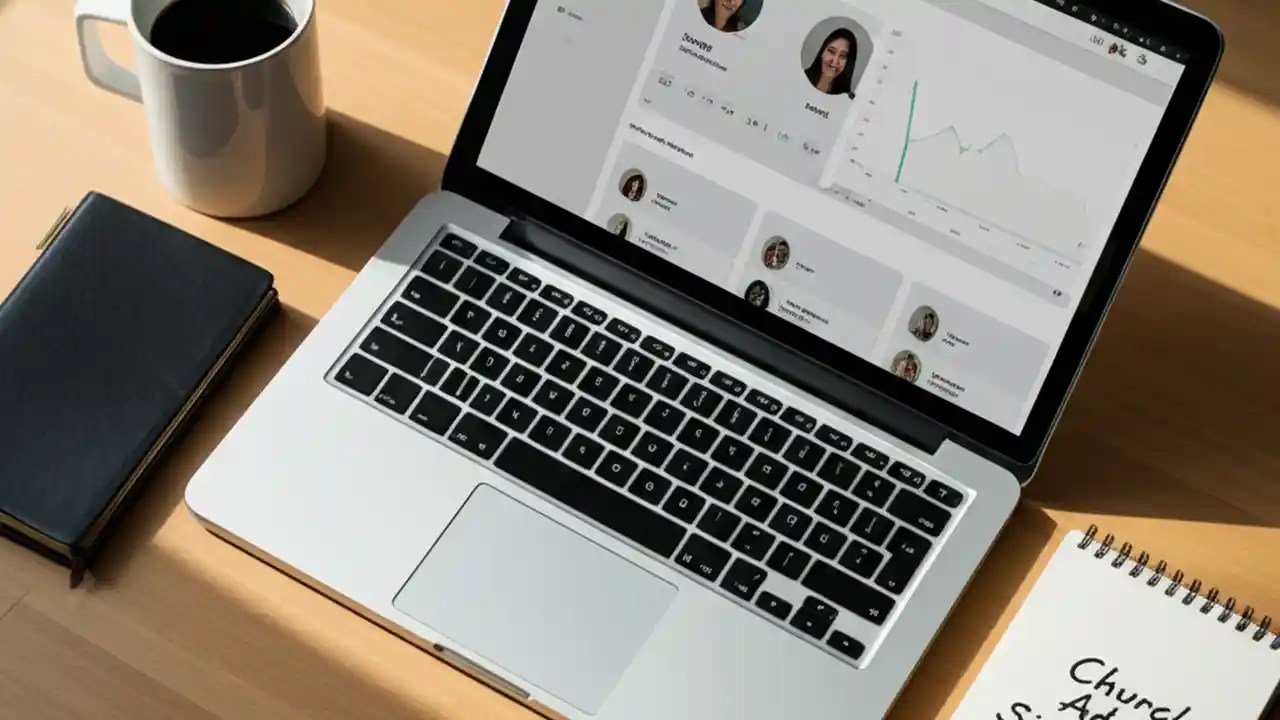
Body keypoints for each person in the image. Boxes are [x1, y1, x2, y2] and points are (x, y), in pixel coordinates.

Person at [805, 28, 857, 97]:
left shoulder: (846, 98)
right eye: (831, 51)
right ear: (822, 51)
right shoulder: (799, 79)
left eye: (842, 56)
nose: (835, 61)